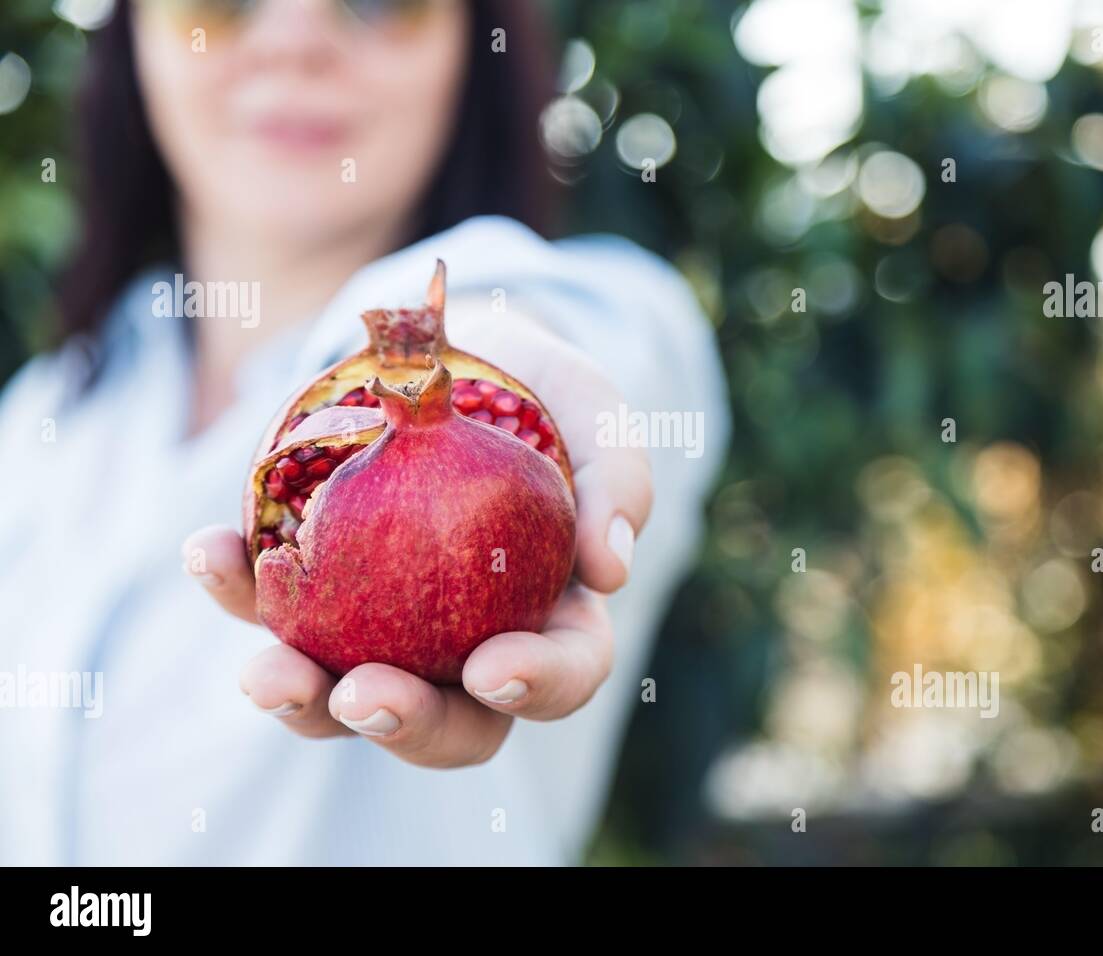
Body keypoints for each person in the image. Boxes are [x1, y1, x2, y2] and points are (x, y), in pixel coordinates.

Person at [0, 0, 727, 864]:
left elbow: (593, 345)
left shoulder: (607, 315)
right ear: (133, 36)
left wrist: (443, 346)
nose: (298, 35)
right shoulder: (42, 412)